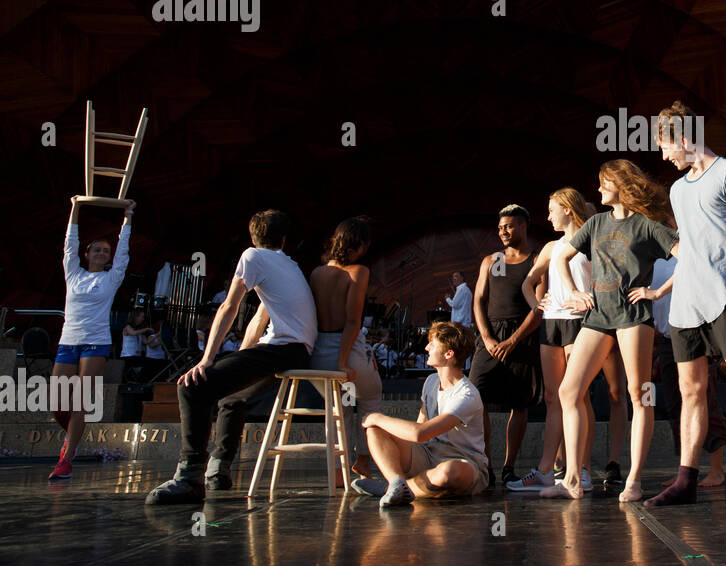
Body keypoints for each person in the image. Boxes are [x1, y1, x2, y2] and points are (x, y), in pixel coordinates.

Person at [646, 102, 726, 514]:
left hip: (725, 300)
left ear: (684, 139)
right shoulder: (678, 189)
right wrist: (664, 292)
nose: (665, 156)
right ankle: (686, 479)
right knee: (691, 391)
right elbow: (688, 252)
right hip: (685, 306)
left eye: (667, 147)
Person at [146, 209, 317, 504]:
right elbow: (261, 317)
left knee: (192, 386)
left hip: (283, 349)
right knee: (231, 396)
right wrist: (240, 359)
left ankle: (189, 478)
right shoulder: (288, 265)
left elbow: (229, 306)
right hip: (296, 350)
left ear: (252, 237)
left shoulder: (253, 256)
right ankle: (217, 471)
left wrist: (207, 359)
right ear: (284, 240)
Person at [540, 160, 679, 503]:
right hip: (598, 316)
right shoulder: (597, 223)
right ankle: (572, 478)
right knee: (568, 391)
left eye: (604, 183)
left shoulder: (647, 225)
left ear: (621, 185)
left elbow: (687, 256)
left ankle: (633, 480)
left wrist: (658, 292)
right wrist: (573, 291)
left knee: (639, 394)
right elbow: (561, 257)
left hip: (633, 316)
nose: (598, 189)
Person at [509, 188, 601, 492]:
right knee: (553, 397)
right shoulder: (551, 247)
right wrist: (537, 305)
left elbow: (605, 278)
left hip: (580, 323)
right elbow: (528, 281)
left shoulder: (591, 239)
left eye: (552, 210)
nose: (548, 216)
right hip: (551, 323)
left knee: (578, 395)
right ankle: (547, 469)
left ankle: (583, 469)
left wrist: (590, 298)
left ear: (567, 209)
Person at [357, 321, 489, 506]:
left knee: (450, 472)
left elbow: (420, 433)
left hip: (463, 462)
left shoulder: (467, 395)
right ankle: (396, 482)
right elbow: (419, 427)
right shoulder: (431, 382)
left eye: (432, 344)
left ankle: (389, 489)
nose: (426, 347)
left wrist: (377, 416)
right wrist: (381, 428)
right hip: (428, 454)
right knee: (374, 429)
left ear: (449, 354)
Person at [51, 196, 133, 480]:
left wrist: (128, 217)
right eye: (97, 249)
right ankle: (73, 436)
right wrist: (75, 208)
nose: (102, 253)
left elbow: (124, 252)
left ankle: (67, 458)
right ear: (87, 254)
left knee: (79, 403)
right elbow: (68, 245)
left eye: (106, 251)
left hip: (95, 343)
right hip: (68, 341)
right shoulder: (73, 273)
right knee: (58, 404)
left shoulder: (111, 278)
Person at [471, 204, 544, 488]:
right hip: (490, 336)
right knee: (477, 400)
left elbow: (539, 307)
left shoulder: (537, 261)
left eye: (509, 226)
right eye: (500, 227)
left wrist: (514, 340)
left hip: (523, 337)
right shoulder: (490, 260)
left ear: (523, 226)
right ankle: (485, 464)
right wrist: (488, 338)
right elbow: (479, 300)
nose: (502, 231)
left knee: (520, 403)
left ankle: (508, 467)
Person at [308, 217, 382, 484]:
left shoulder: (316, 273)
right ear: (360, 245)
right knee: (370, 398)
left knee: (340, 408)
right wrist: (342, 362)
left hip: (317, 350)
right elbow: (353, 321)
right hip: (345, 348)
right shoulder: (358, 273)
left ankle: (338, 471)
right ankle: (363, 461)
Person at [651, 254, 726, 488]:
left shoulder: (686, 248)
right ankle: (684, 469)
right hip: (665, 337)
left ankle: (717, 469)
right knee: (676, 404)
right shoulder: (654, 256)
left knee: (707, 399)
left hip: (696, 334)